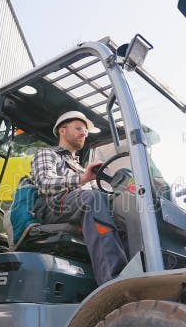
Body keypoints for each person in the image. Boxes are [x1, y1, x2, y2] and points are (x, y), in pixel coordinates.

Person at [30, 110, 128, 285]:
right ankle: (113, 281)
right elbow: (45, 183)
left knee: (122, 214)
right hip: (52, 206)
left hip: (79, 206)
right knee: (94, 200)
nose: (84, 133)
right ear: (62, 130)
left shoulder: (82, 168)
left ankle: (136, 273)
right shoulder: (48, 154)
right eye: (78, 128)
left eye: (85, 131)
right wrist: (83, 179)